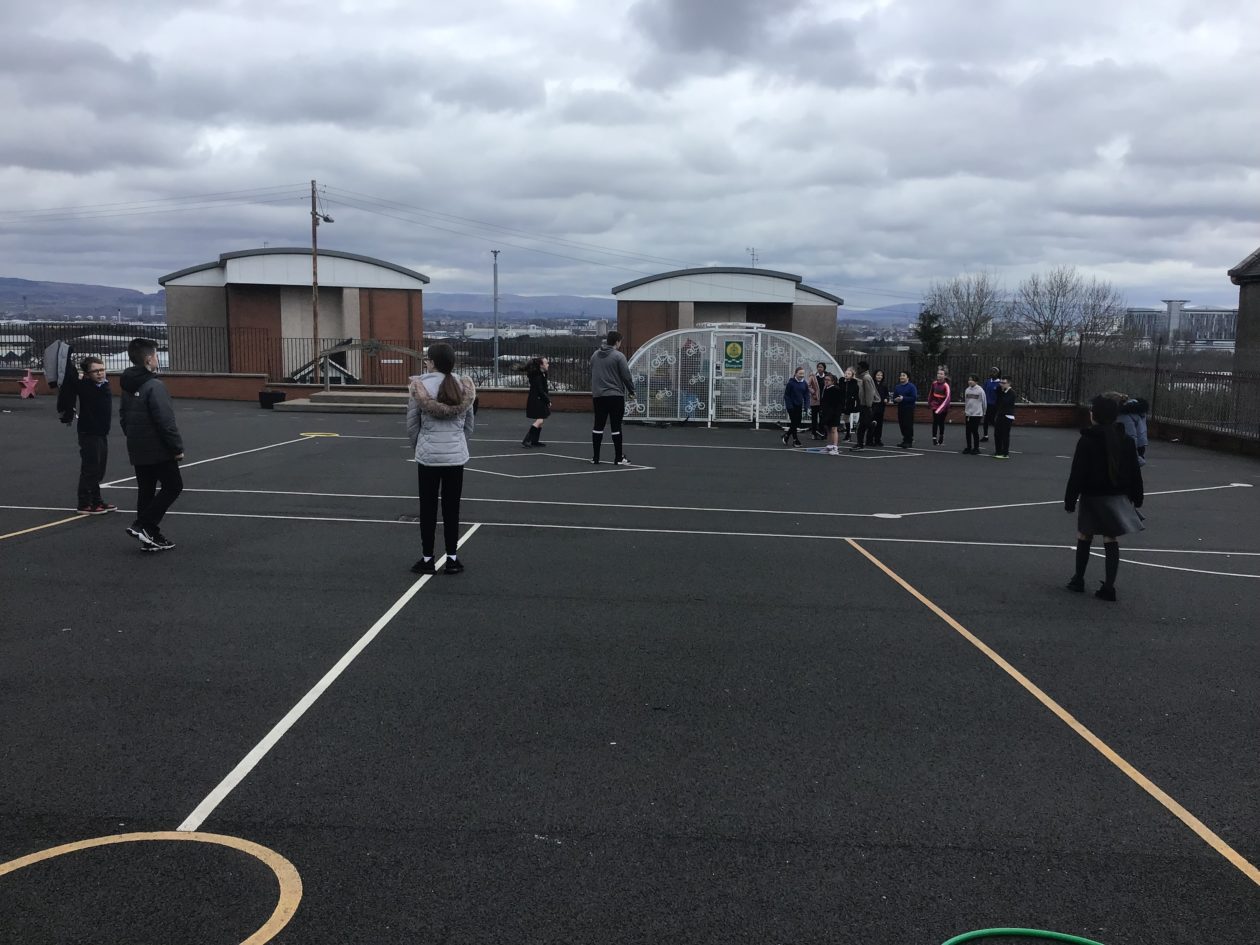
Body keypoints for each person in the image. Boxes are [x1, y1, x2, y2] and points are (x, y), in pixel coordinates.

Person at [1065, 395, 1144, 601]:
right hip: (1117, 496)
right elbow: (1135, 471)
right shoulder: (1125, 440)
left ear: (1096, 415)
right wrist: (1137, 496)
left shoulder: (1088, 440)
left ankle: (1078, 579)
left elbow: (1078, 473)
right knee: (1110, 537)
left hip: (1092, 495)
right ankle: (1109, 586)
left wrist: (1070, 499)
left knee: (1085, 534)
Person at [407, 342, 477, 575]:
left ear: (433, 362)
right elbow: (469, 426)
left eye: (427, 359)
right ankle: (452, 558)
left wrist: (420, 446)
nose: (426, 362)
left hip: (428, 458)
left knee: (427, 509)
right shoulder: (464, 387)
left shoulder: (419, 387)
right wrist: (458, 442)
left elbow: (412, 425)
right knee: (451, 509)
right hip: (455, 458)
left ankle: (427, 559)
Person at [119, 338, 184, 552]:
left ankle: (150, 535)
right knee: (173, 486)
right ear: (149, 359)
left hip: (137, 447)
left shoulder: (128, 385)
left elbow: (123, 418)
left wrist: (134, 437)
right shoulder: (154, 386)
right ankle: (144, 525)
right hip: (158, 448)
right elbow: (165, 421)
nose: (157, 359)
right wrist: (176, 447)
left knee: (146, 490)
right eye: (156, 355)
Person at [58, 356, 116, 514]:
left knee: (99, 468)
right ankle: (84, 503)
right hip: (89, 432)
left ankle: (96, 500)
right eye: (95, 371)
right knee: (90, 468)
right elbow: (71, 382)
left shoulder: (104, 385)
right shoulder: (84, 386)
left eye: (102, 370)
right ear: (87, 373)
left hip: (102, 432)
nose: (100, 373)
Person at [590, 330, 636, 465]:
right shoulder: (618, 356)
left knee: (598, 425)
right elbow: (626, 376)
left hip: (598, 395)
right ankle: (618, 457)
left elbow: (593, 370)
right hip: (615, 395)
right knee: (616, 427)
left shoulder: (595, 355)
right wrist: (631, 391)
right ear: (617, 342)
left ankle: (596, 457)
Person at [519, 357, 551, 448]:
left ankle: (534, 441)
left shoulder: (541, 374)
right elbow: (540, 391)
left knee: (540, 421)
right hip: (536, 400)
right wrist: (548, 400)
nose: (548, 364)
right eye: (546, 363)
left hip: (538, 399)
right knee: (540, 420)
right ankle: (527, 440)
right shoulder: (537, 376)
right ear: (541, 365)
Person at [1114, 393, 1150, 465]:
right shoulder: (1140, 411)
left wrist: (1136, 457)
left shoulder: (1124, 415)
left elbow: (1131, 436)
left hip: (1130, 450)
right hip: (1141, 445)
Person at [853, 360, 879, 450]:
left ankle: (871, 424)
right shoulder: (864, 377)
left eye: (858, 368)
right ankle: (860, 444)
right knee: (861, 426)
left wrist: (868, 406)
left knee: (861, 426)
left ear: (863, 369)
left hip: (867, 405)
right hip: (865, 405)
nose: (857, 369)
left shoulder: (866, 378)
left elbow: (869, 393)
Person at [782, 366, 809, 447]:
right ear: (795, 374)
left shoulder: (804, 383)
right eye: (800, 373)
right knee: (794, 422)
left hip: (799, 405)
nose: (801, 375)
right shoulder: (791, 383)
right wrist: (789, 406)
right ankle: (795, 440)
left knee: (797, 423)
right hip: (791, 406)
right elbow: (786, 395)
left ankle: (786, 435)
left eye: (803, 374)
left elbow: (806, 395)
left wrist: (806, 406)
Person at [991, 375, 1016, 459]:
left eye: (1003, 383)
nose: (1001, 384)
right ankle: (998, 451)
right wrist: (1001, 389)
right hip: (1000, 414)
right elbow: (997, 399)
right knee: (997, 433)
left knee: (1004, 434)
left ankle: (1005, 453)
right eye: (1000, 382)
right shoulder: (1001, 391)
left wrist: (1002, 392)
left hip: (1007, 415)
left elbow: (1005, 402)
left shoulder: (1011, 393)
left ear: (1009, 383)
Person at [961, 374, 987, 455]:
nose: (969, 381)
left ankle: (976, 448)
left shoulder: (980, 390)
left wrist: (984, 412)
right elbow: (967, 402)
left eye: (971, 380)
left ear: (976, 381)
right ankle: (968, 447)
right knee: (967, 431)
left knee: (974, 431)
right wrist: (966, 410)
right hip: (968, 414)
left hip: (977, 414)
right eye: (969, 380)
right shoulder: (967, 390)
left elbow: (984, 402)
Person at [819, 372, 843, 455]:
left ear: (833, 381)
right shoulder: (826, 389)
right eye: (825, 380)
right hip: (827, 413)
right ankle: (829, 446)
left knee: (833, 429)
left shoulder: (836, 389)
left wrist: (836, 413)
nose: (826, 381)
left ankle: (835, 447)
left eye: (828, 380)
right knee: (828, 429)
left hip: (834, 413)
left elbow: (838, 403)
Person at [893, 371, 918, 448]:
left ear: (908, 378)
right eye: (901, 376)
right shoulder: (897, 387)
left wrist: (903, 398)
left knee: (908, 425)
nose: (902, 377)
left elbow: (914, 398)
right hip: (901, 408)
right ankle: (904, 440)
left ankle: (909, 441)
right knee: (902, 425)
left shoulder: (911, 387)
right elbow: (894, 398)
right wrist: (895, 400)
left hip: (909, 408)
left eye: (904, 375)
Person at [927, 368, 951, 446]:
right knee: (935, 421)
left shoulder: (946, 385)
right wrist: (929, 403)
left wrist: (940, 409)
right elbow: (931, 394)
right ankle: (934, 438)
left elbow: (947, 398)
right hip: (935, 406)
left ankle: (941, 436)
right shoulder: (934, 384)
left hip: (943, 407)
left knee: (941, 422)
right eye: (938, 373)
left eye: (941, 374)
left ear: (944, 376)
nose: (939, 375)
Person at [806, 361, 827, 440]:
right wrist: (813, 392)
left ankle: (821, 432)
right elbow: (808, 385)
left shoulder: (827, 376)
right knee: (814, 417)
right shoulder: (813, 376)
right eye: (818, 367)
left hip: (823, 400)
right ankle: (814, 433)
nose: (819, 368)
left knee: (822, 417)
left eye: (821, 367)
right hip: (815, 399)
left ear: (824, 368)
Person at [871, 369, 890, 447]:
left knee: (879, 425)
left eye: (881, 375)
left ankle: (878, 440)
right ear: (875, 376)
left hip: (881, 408)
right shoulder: (872, 384)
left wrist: (886, 399)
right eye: (878, 375)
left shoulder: (884, 385)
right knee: (872, 424)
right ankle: (870, 440)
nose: (879, 376)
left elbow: (887, 395)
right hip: (872, 407)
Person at [840, 367, 859, 442]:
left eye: (849, 374)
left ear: (852, 375)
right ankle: (847, 433)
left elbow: (856, 394)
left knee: (846, 418)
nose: (846, 375)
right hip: (841, 403)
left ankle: (848, 434)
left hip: (849, 404)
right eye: (846, 373)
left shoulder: (854, 382)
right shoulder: (842, 381)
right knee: (843, 418)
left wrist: (856, 404)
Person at [981, 368, 1001, 442]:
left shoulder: (999, 383)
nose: (992, 373)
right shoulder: (987, 382)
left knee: (992, 420)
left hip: (995, 405)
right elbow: (983, 392)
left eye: (995, 372)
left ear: (998, 374)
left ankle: (999, 434)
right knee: (986, 420)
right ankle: (985, 436)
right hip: (987, 404)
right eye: (992, 371)